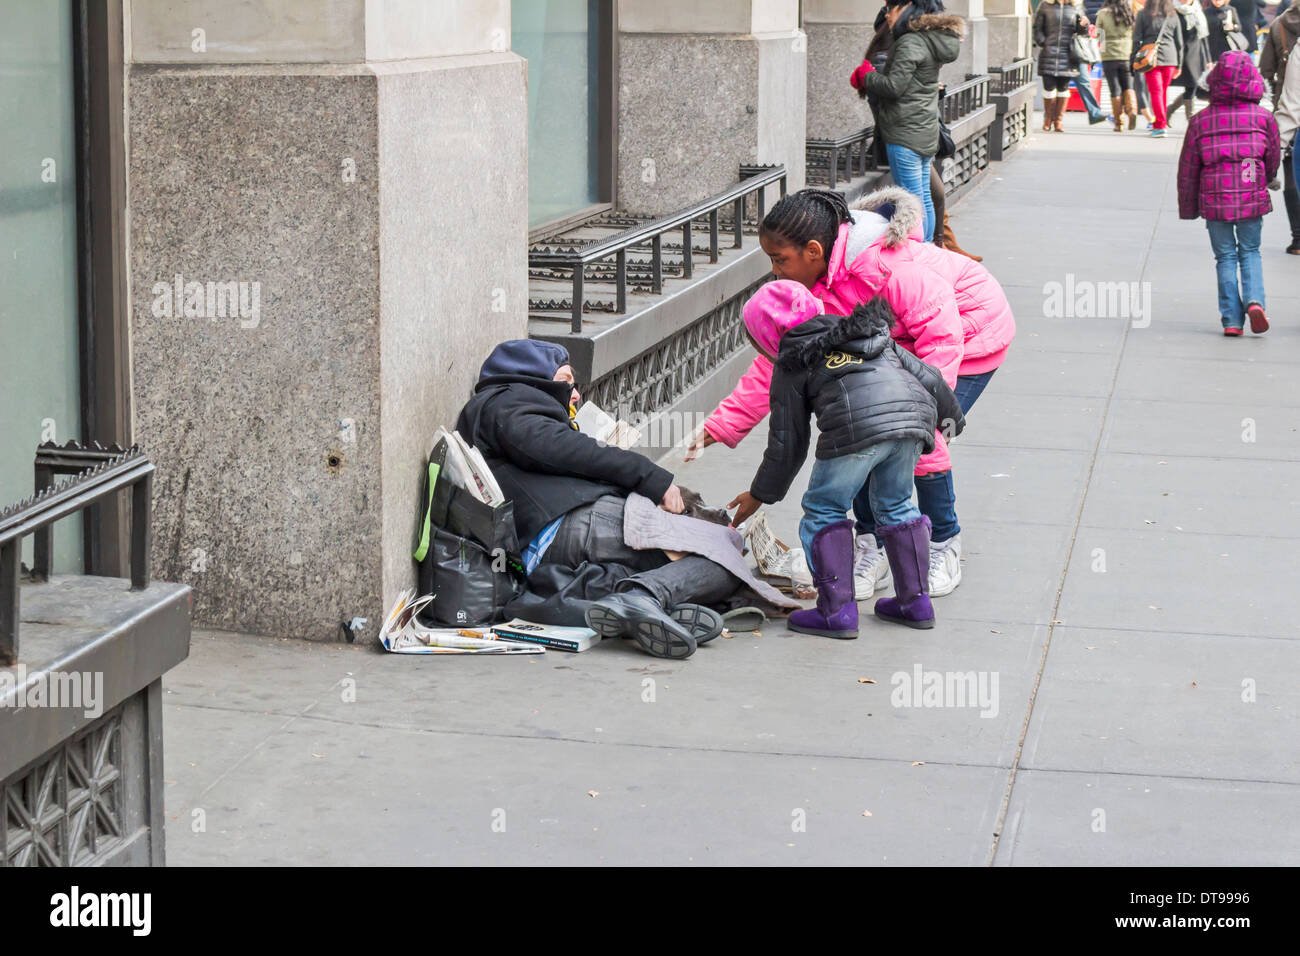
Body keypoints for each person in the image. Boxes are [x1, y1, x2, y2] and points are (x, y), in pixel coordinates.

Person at [687, 187, 1015, 600]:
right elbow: (779, 360)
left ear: (812, 251)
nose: (775, 272)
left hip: (971, 335)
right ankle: (872, 545)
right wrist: (725, 423)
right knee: (866, 431)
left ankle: (942, 543)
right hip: (900, 348)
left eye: (779, 260)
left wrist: (925, 412)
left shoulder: (884, 265)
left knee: (918, 441)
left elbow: (942, 333)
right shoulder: (815, 292)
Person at [455, 339, 737, 659]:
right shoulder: (507, 401)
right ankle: (642, 596)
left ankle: (612, 601)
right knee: (722, 548)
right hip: (567, 522)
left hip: (550, 542)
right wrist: (651, 479)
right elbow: (559, 448)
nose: (574, 394)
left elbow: (554, 453)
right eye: (565, 382)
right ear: (530, 376)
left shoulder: (505, 406)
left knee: (695, 558)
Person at [727, 282, 964, 635]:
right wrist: (951, 422)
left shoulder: (794, 359)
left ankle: (835, 611)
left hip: (856, 433)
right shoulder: (869, 333)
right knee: (897, 505)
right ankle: (915, 603)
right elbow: (929, 378)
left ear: (768, 336)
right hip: (912, 423)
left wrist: (761, 494)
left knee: (824, 508)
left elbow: (787, 442)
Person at [1177, 51, 1280, 335]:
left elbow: (1188, 169)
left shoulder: (1200, 120)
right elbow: (1271, 158)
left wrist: (1189, 207)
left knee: (1225, 257)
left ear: (1214, 81)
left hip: (1215, 201)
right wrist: (1268, 179)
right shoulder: (1264, 119)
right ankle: (1255, 301)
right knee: (1250, 251)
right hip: (1250, 197)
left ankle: (1232, 320)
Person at [852, 0, 963, 242]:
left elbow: (893, 87)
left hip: (905, 133)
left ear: (904, 8)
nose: (888, 15)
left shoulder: (909, 42)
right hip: (922, 130)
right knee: (923, 198)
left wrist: (867, 75)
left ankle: (921, 252)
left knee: (913, 202)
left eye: (891, 9)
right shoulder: (927, 40)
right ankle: (928, 249)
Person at [1259, 0, 1300, 252]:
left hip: (1289, 107)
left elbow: (1265, 70)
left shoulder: (1279, 26)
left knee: (1291, 178)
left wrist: (1270, 152)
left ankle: (1298, 237)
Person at [1035, 0, 1094, 131]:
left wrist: (1084, 26)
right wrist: (1043, 43)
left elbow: (1082, 33)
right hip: (1049, 52)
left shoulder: (1076, 7)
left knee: (1063, 88)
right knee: (1048, 88)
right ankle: (1048, 119)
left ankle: (1058, 121)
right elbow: (1037, 28)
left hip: (1068, 54)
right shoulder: (1045, 5)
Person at [1132, 0, 1187, 136]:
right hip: (1170, 57)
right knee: (1162, 91)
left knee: (1155, 92)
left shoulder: (1143, 14)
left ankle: (1160, 125)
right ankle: (1159, 124)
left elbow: (1136, 38)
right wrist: (1179, 65)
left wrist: (1133, 58)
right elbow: (1179, 42)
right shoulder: (1172, 14)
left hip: (1151, 58)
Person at [1097, 0, 1141, 129]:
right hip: (1127, 53)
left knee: (1114, 88)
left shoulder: (1103, 14)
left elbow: (1099, 35)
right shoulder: (1129, 12)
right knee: (1128, 86)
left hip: (1109, 55)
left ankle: (1119, 123)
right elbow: (1135, 33)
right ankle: (1132, 111)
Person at [1167, 0, 1210, 123]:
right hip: (1179, 53)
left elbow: (1203, 36)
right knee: (1191, 85)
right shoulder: (1173, 11)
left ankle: (1170, 110)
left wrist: (1208, 58)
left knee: (1193, 86)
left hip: (1196, 53)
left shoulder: (1197, 10)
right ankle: (1190, 120)